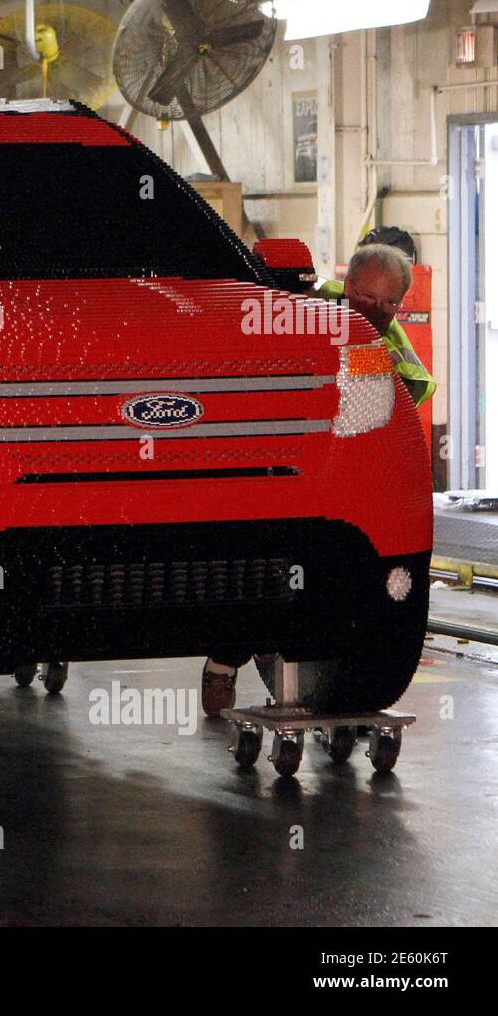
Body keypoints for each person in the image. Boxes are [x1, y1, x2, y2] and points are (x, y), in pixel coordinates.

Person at [200, 241, 435, 717]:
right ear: (347, 286)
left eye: (390, 303)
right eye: (367, 297)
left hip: (341, 485)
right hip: (280, 475)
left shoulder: (386, 345)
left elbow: (399, 410)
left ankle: (294, 657)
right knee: (258, 569)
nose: (376, 310)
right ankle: (223, 664)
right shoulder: (301, 308)